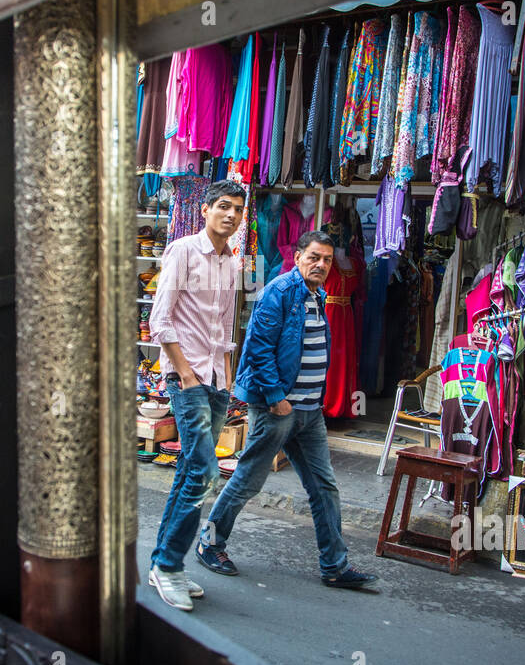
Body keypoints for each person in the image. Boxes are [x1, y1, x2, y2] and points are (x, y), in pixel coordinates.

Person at [197, 230, 378, 589]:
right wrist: (278, 397)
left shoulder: (318, 294)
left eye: (327, 259)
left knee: (324, 486)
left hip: (309, 412)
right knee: (249, 479)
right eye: (314, 257)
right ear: (297, 257)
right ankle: (209, 542)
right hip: (277, 408)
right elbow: (259, 348)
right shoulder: (279, 292)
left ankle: (335, 565)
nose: (321, 265)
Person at [147, 179, 246, 611]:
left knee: (190, 469)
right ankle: (170, 567)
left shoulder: (233, 262)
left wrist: (226, 378)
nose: (231, 215)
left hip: (217, 382)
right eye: (223, 206)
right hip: (186, 378)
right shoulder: (184, 251)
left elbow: (225, 328)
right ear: (205, 210)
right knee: (206, 470)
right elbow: (159, 320)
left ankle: (162, 563)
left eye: (238, 210)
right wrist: (185, 373)